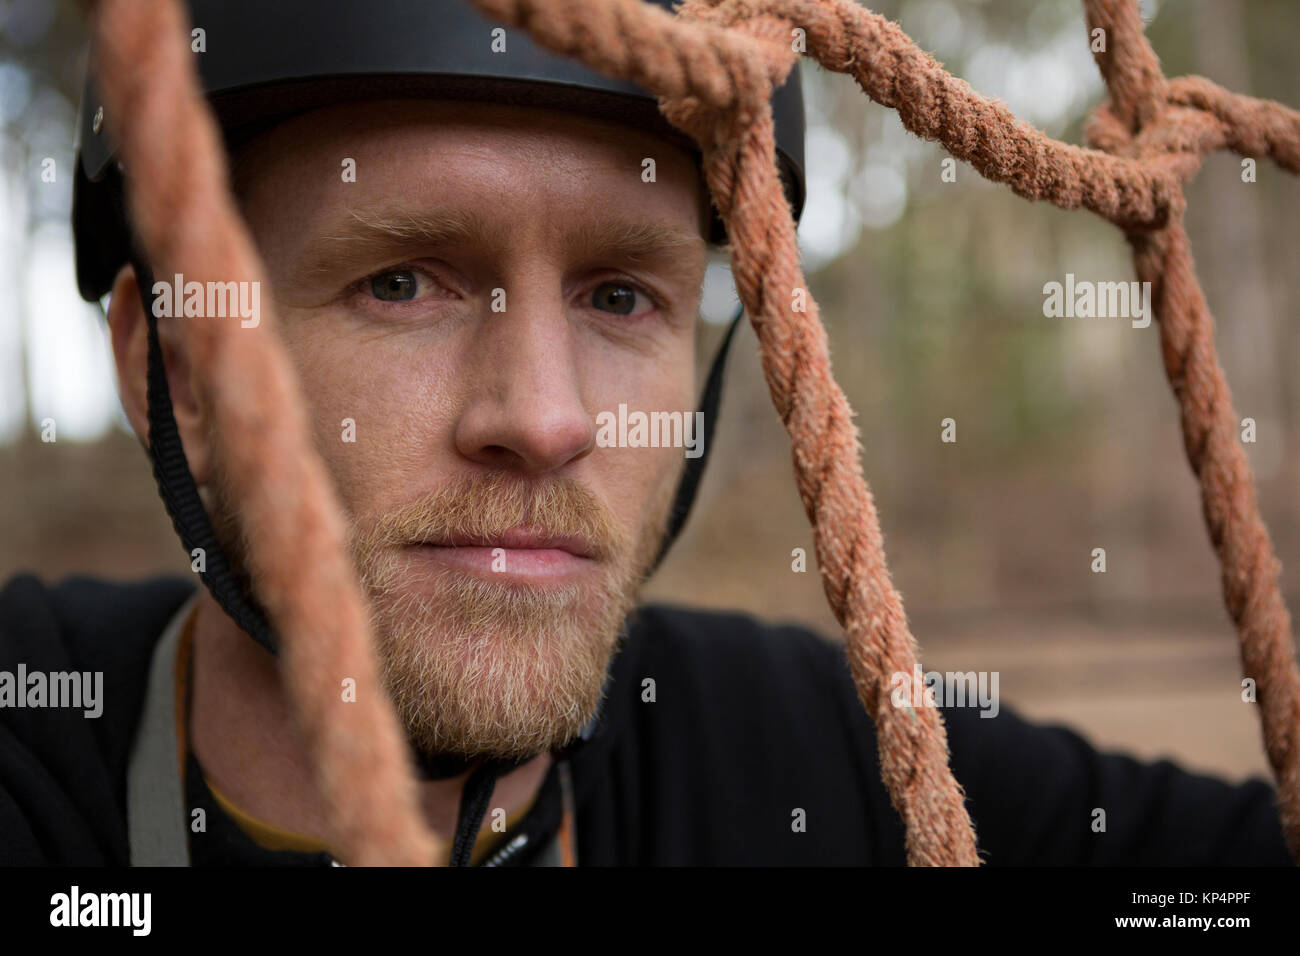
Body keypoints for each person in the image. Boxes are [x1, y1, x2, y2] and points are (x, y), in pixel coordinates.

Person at [0, 0, 1291, 866]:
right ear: (170, 368)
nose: (547, 420)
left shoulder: (810, 746)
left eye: (623, 296)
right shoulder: (34, 736)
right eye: (403, 283)